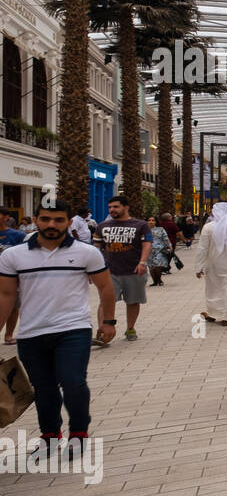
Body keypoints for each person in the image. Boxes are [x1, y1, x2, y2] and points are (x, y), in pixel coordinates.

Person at [0, 199, 116, 461]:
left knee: (73, 381)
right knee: (44, 388)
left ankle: (79, 433)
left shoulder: (87, 252)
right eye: (45, 219)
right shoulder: (13, 256)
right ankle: (50, 436)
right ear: (36, 220)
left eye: (58, 220)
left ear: (69, 222)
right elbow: (6, 295)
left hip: (73, 329)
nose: (51, 224)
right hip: (31, 332)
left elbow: (105, 286)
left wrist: (108, 321)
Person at [96, 195, 151, 344]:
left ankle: (130, 328)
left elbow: (146, 244)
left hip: (133, 270)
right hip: (109, 271)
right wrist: (93, 268)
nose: (112, 210)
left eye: (116, 207)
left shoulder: (141, 225)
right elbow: (96, 247)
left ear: (126, 207)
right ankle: (102, 330)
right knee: (105, 301)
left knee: (133, 301)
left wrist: (142, 262)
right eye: (110, 207)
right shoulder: (102, 226)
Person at [193, 201, 227, 326]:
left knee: (213, 289)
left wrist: (199, 267)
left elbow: (202, 248)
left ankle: (213, 313)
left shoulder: (208, 227)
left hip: (213, 264)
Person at [0, 210, 28, 345]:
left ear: (6, 217)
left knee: (13, 306)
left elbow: (25, 255)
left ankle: (9, 335)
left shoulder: (18, 236)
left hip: (11, 277)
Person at [145, 217, 171, 286]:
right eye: (149, 220)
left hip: (159, 250)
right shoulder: (143, 230)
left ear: (156, 222)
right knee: (151, 266)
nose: (151, 222)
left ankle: (159, 280)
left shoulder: (160, 229)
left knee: (158, 265)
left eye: (153, 220)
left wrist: (169, 246)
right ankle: (154, 281)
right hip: (147, 251)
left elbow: (166, 238)